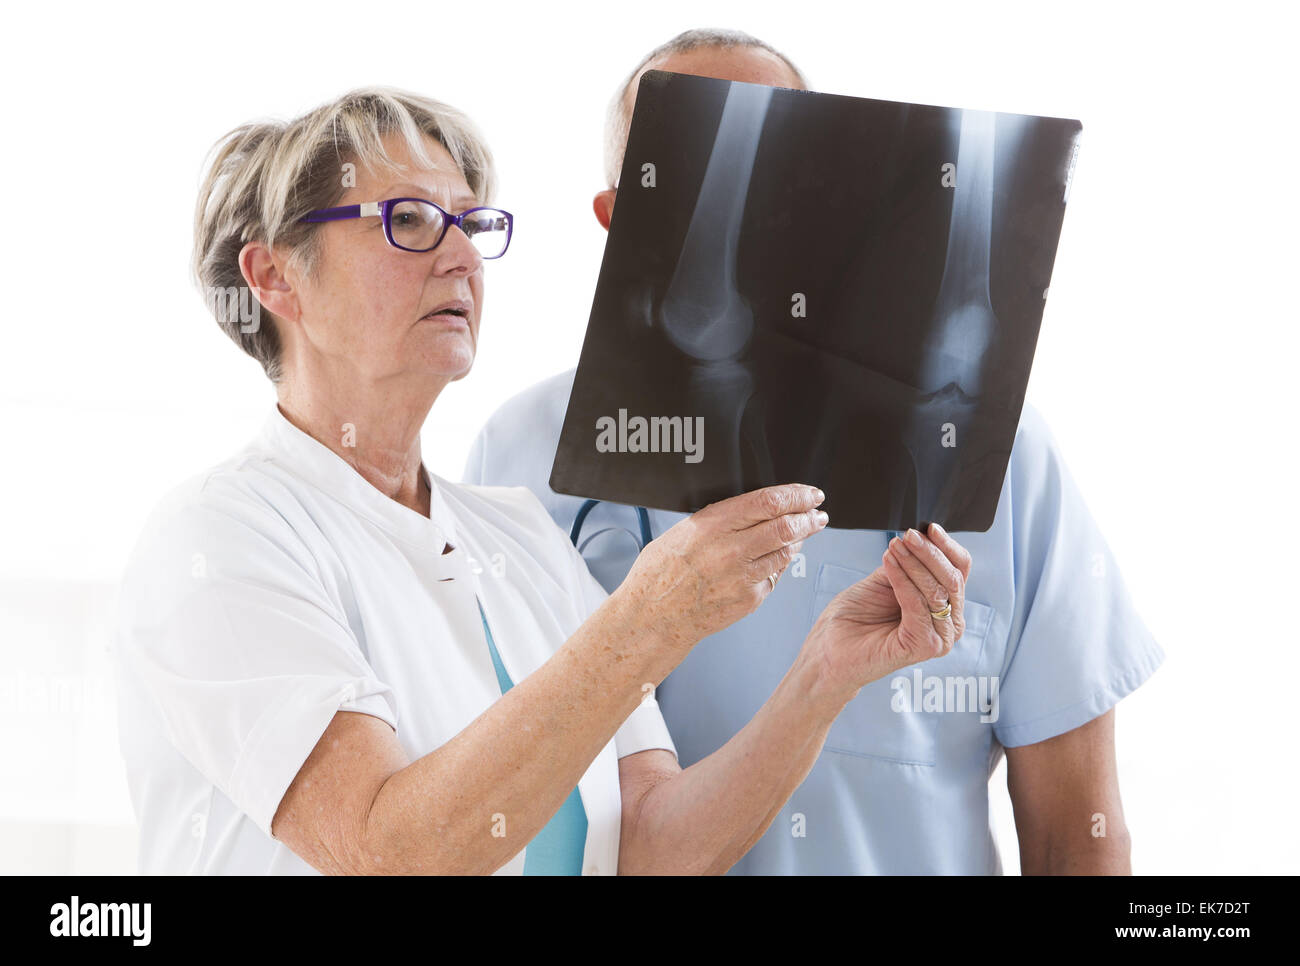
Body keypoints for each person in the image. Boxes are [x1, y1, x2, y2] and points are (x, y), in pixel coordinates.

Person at [114, 86, 974, 875]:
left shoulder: (518, 535)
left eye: (471, 224)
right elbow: (387, 851)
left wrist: (823, 674)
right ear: (273, 276)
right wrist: (648, 619)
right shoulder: (218, 539)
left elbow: (653, 846)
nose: (461, 257)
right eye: (410, 220)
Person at [464, 29, 1166, 874]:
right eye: (713, 162)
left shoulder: (1002, 459)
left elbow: (1076, 828)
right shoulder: (520, 450)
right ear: (619, 218)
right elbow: (494, 796)